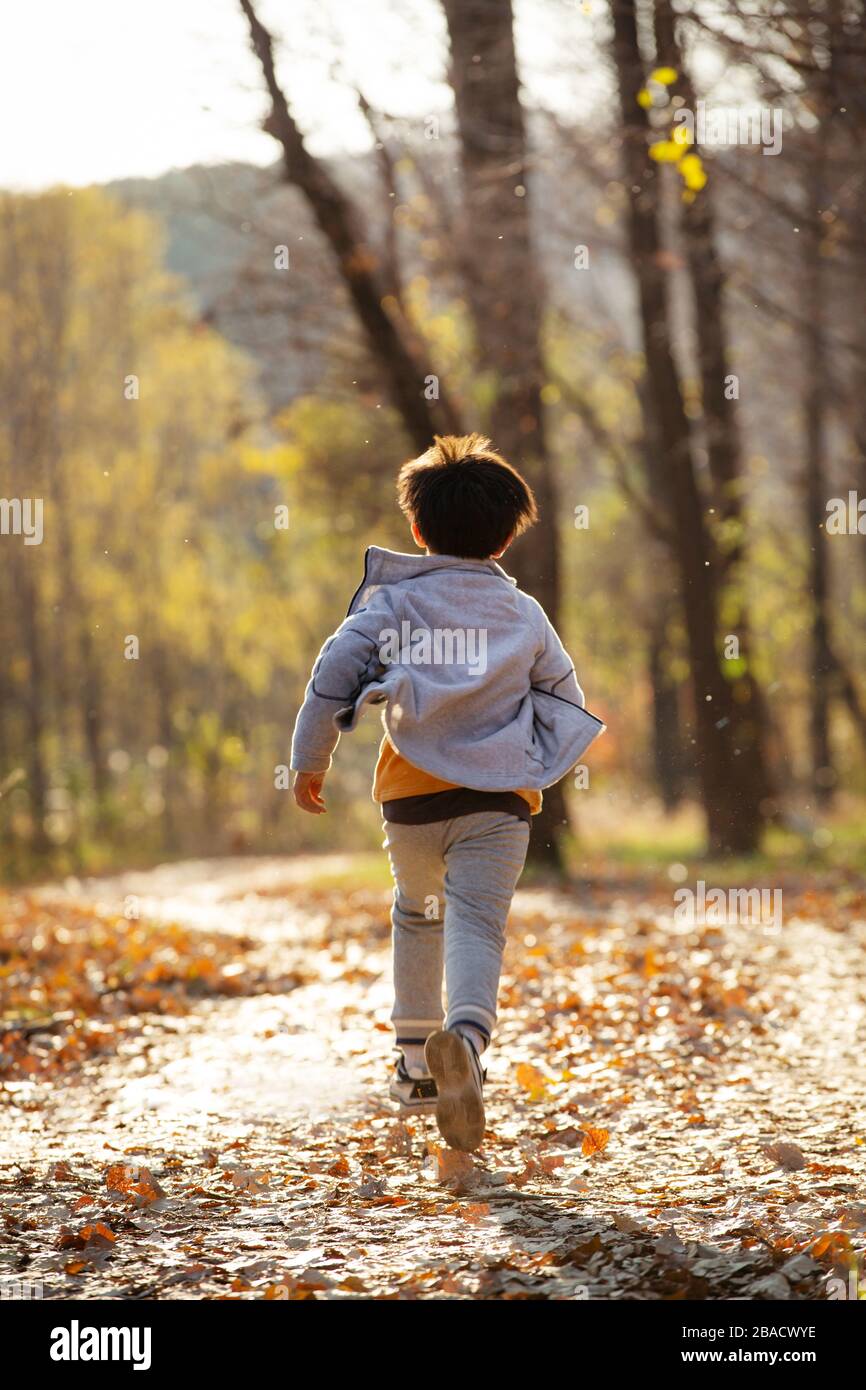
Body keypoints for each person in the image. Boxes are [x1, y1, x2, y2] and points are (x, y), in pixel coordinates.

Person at [290, 434, 603, 1151]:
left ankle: (414, 1066)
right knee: (476, 922)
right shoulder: (523, 615)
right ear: (506, 537)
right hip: (498, 802)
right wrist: (535, 755)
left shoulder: (395, 602)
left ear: (418, 528)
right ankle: (465, 1037)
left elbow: (334, 668)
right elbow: (564, 692)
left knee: (418, 914)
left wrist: (311, 757)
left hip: (411, 798)